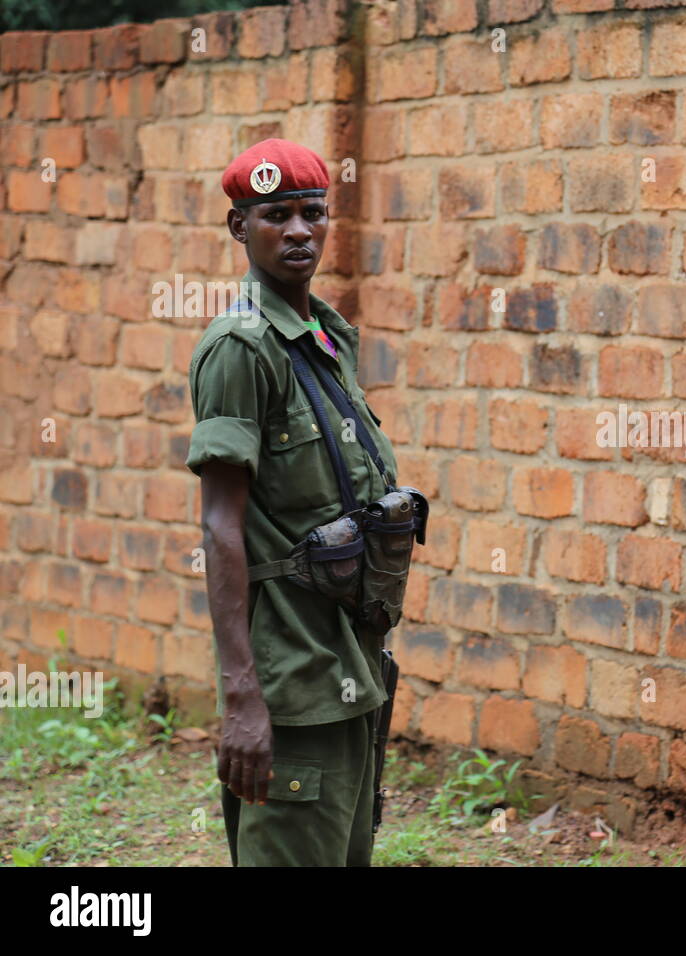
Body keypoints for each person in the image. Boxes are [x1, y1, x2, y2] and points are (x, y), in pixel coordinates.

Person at [185, 138, 400, 866]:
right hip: (290, 679)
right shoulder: (241, 349)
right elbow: (220, 526)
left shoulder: (324, 337)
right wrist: (242, 696)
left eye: (313, 213)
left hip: (349, 663)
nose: (301, 231)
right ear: (239, 229)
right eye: (277, 215)